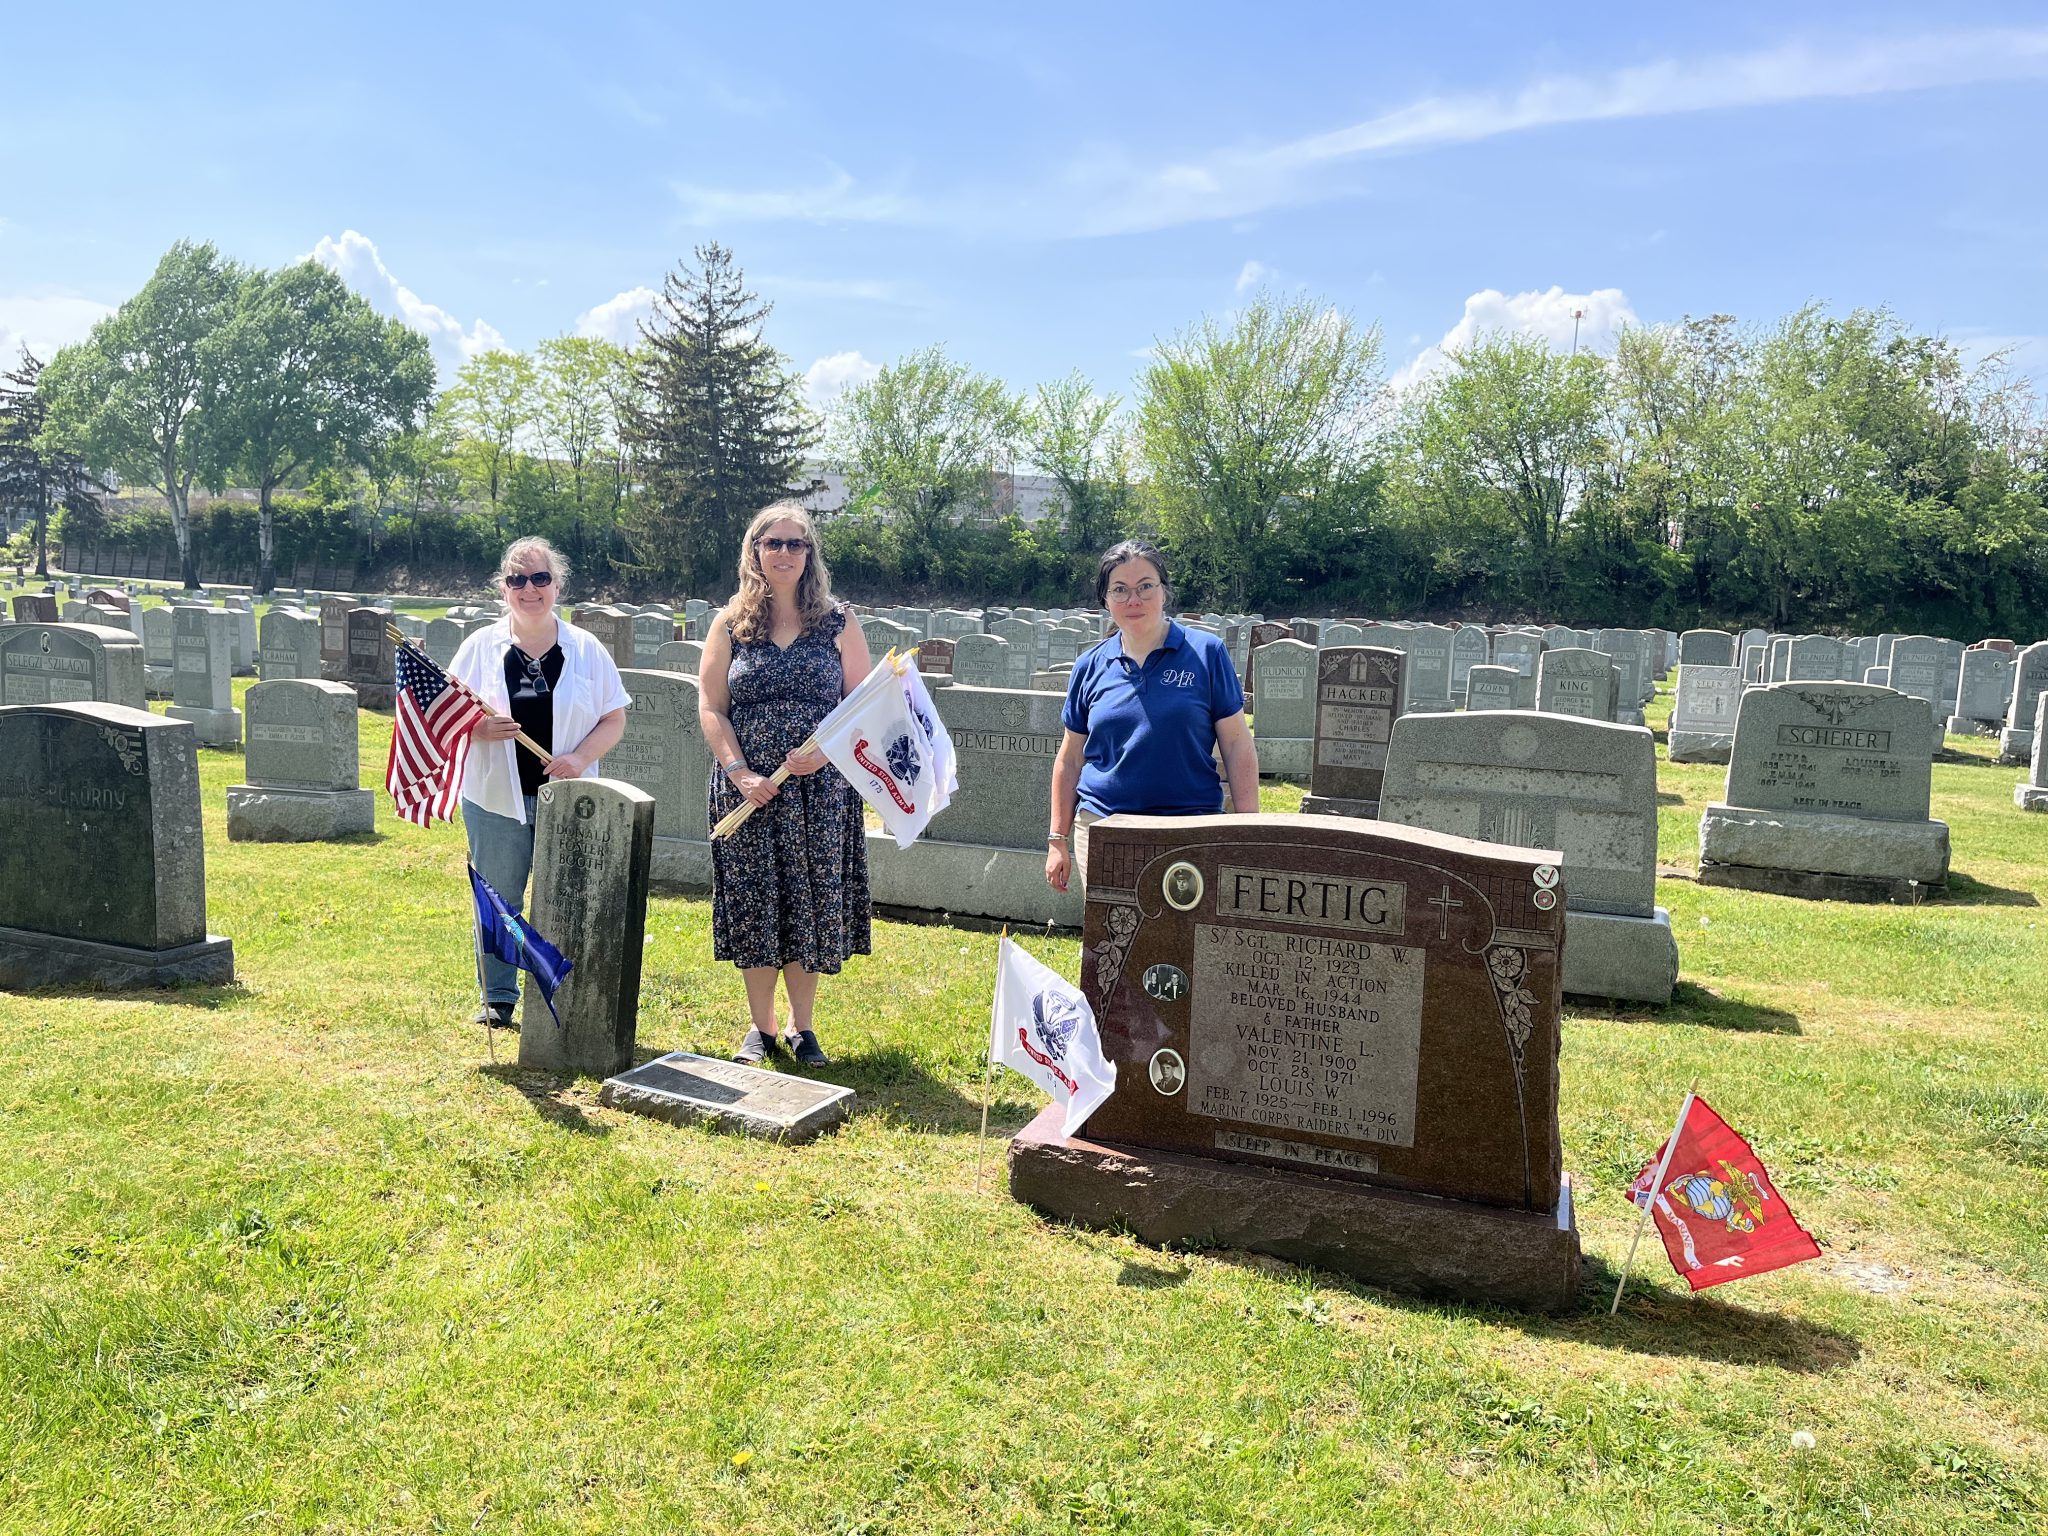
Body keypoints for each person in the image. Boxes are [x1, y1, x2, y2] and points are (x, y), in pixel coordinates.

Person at [699, 501, 872, 1067]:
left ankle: (802, 1028)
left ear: (809, 554)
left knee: (805, 902)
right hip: (748, 792)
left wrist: (823, 753)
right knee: (756, 902)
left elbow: (862, 706)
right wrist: (739, 771)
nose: (784, 553)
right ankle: (761, 1027)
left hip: (818, 792)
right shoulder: (730, 624)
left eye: (795, 544)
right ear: (755, 552)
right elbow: (712, 706)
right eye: (772, 543)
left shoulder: (839, 623)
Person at [450, 537, 630, 1028]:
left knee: (566, 893)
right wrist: (478, 729)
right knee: (500, 897)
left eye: (540, 578)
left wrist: (578, 758)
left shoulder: (586, 649)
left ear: (557, 585)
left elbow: (614, 718)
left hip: (568, 798)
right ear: (503, 589)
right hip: (493, 797)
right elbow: (444, 718)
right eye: (517, 580)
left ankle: (562, 986)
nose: (529, 589)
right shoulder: (479, 648)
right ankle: (499, 997)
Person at [1047, 540, 1261, 893]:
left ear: (1164, 592)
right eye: (1120, 589)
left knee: (1184, 941)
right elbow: (1070, 758)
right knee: (1113, 942)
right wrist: (1058, 838)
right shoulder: (1090, 666)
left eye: (1146, 586)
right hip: (1105, 823)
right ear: (1105, 600)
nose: (1134, 599)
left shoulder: (1206, 654)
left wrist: (1247, 831)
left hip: (1191, 826)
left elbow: (1237, 745)